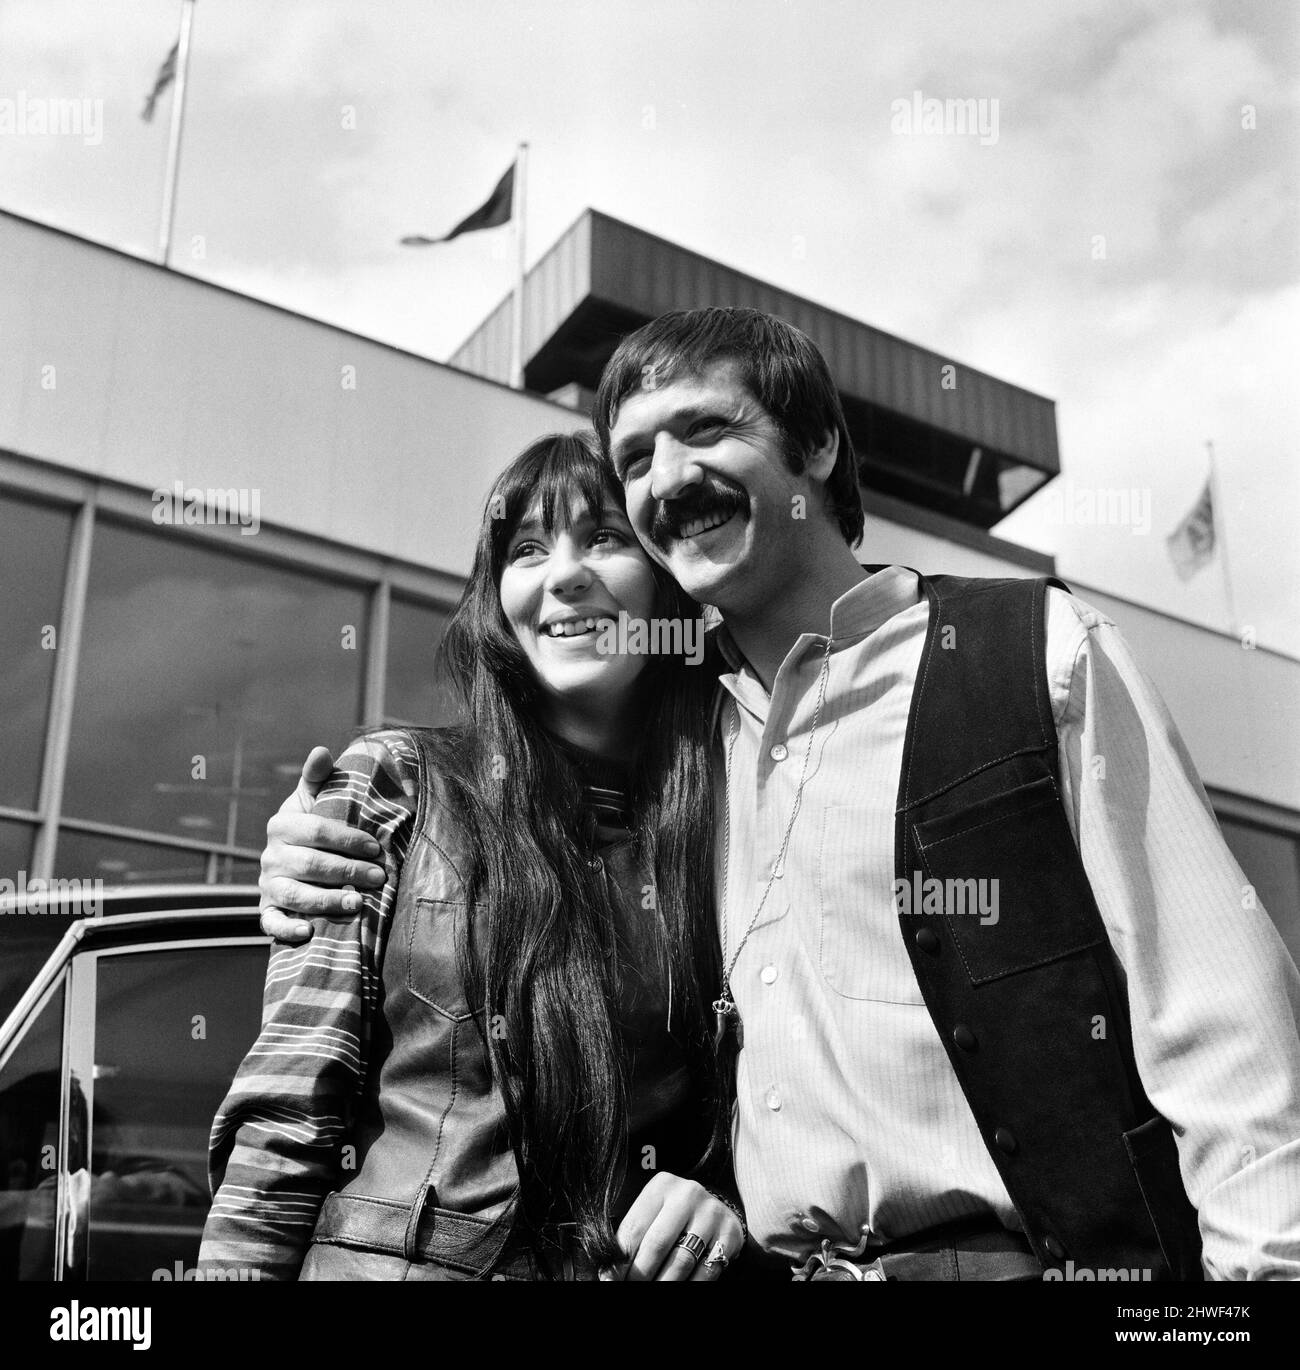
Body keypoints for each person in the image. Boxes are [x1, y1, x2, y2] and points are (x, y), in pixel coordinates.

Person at [258, 308, 1300, 1282]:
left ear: (815, 448)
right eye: (635, 460)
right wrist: (325, 846)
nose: (667, 478)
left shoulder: (1034, 652)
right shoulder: (679, 752)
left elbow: (1225, 1024)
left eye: (704, 429)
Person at [199, 431, 743, 1282]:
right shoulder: (395, 781)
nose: (564, 574)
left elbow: (767, 1100)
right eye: (526, 550)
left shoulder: (733, 821)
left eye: (603, 537)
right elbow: (288, 1109)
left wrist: (721, 1203)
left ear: (669, 586)